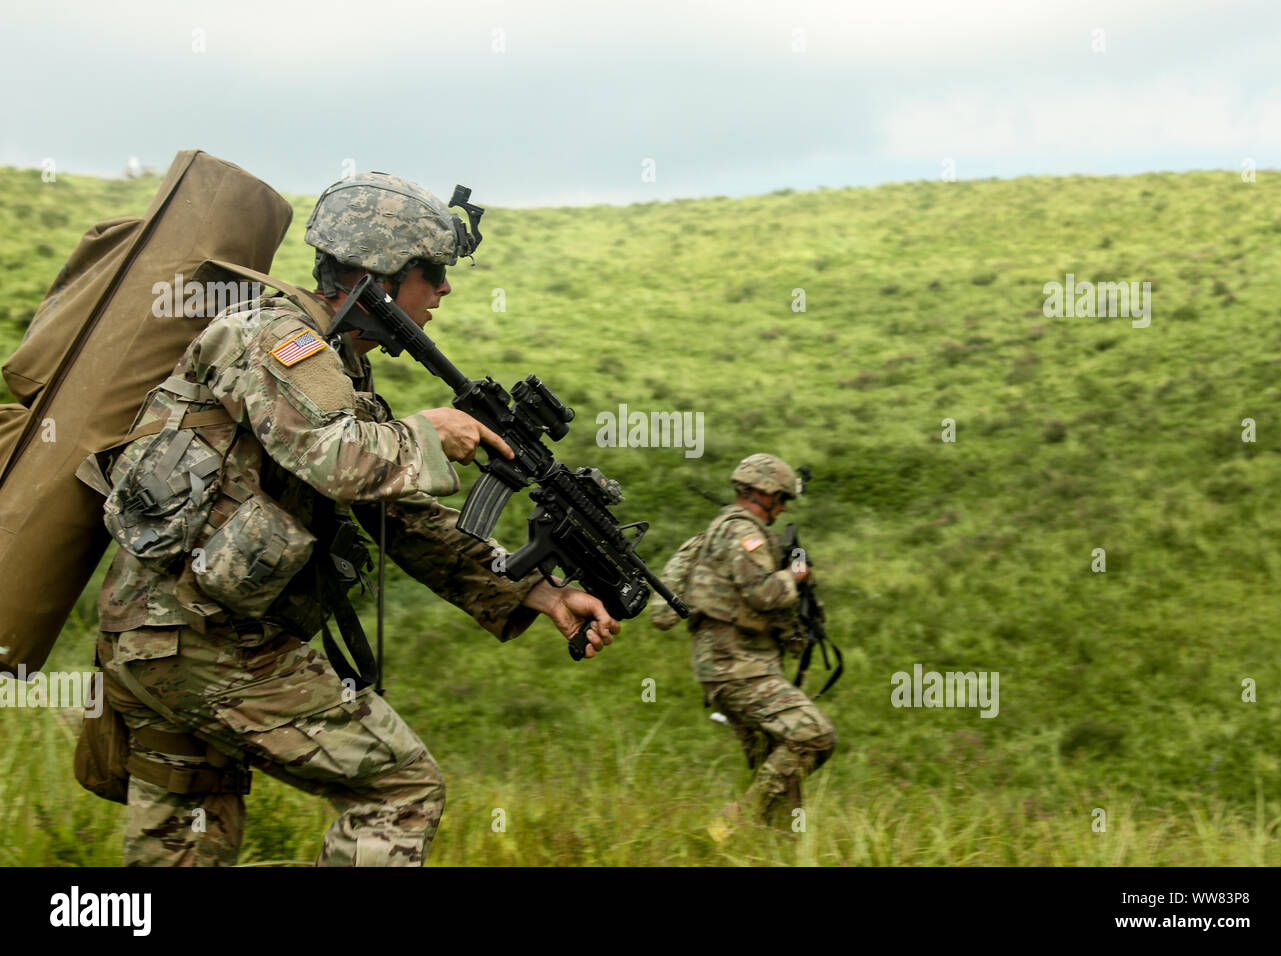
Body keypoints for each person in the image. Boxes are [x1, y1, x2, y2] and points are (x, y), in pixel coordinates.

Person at [93, 172, 619, 866]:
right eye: (432, 272)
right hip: (205, 643)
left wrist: (538, 591)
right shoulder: (274, 338)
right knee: (400, 789)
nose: (444, 291)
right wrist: (429, 435)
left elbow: (399, 517)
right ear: (379, 273)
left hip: (165, 636)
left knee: (184, 842)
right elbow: (336, 458)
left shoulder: (332, 368)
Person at [683, 454, 835, 837]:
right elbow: (763, 594)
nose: (783, 508)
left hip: (733, 665)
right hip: (736, 667)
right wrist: (794, 576)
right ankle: (736, 819)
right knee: (813, 735)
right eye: (780, 498)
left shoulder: (722, 530)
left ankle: (776, 849)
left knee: (784, 777)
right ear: (760, 492)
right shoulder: (742, 533)